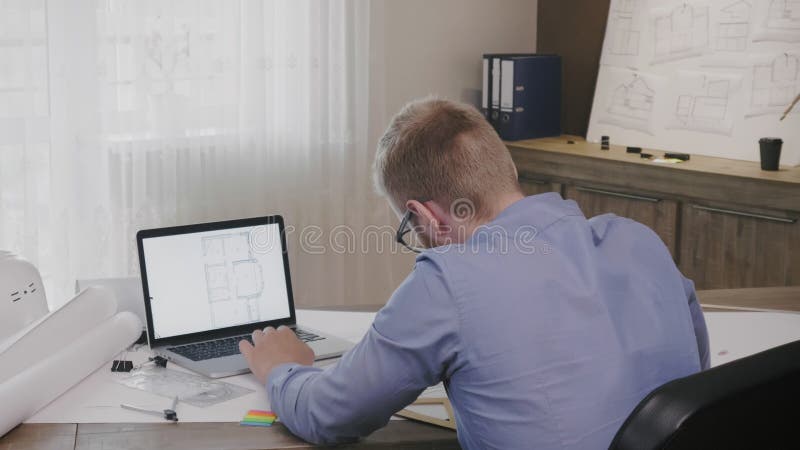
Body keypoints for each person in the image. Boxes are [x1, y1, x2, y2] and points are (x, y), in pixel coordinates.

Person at [238, 98, 710, 449]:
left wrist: (281, 368)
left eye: (411, 229)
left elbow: (329, 415)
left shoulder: (447, 281)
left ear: (426, 217)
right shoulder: (638, 240)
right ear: (507, 168)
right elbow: (692, 382)